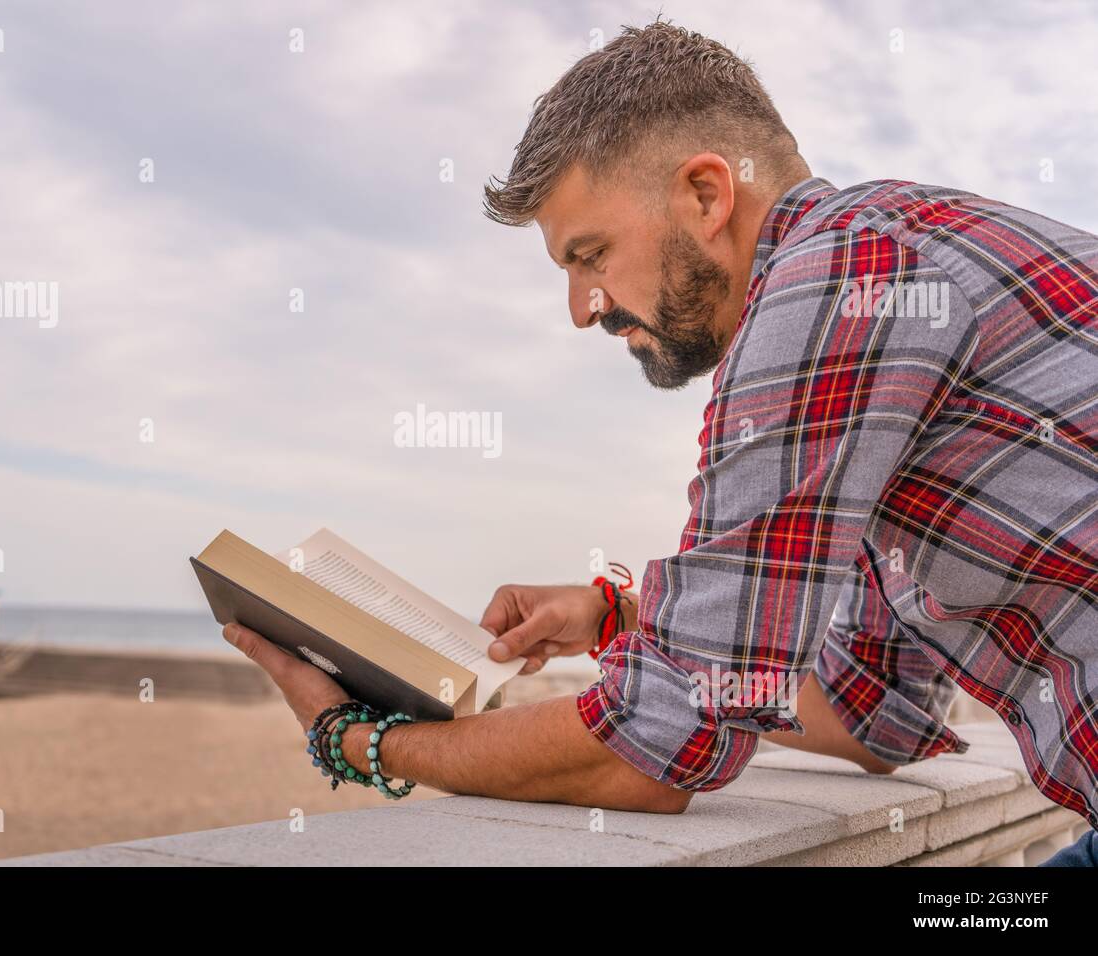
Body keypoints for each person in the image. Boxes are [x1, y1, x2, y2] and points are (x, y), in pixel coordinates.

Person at [225, 20, 1098, 862]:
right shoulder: (887, 279)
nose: (582, 309)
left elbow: (653, 750)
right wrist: (620, 618)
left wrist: (367, 740)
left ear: (708, 195)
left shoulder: (830, 283)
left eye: (591, 255)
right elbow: (878, 710)